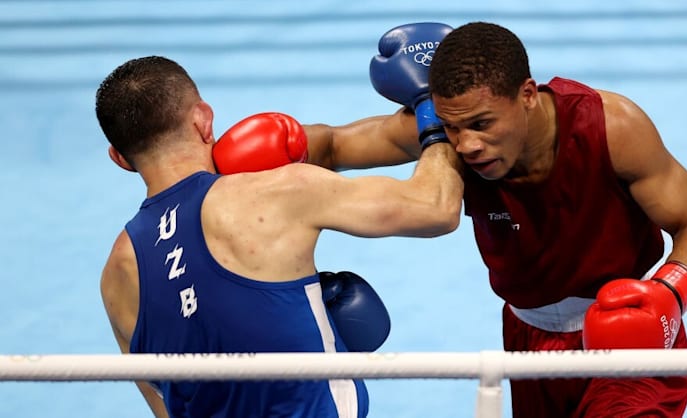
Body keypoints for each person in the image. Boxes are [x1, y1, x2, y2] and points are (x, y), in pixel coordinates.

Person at [300, 22, 687, 417]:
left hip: (632, 339)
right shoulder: (449, 134)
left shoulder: (612, 127)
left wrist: (667, 295)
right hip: (529, 339)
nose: (467, 145)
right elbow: (335, 146)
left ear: (526, 94)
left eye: (482, 124)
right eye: (452, 127)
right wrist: (261, 150)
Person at [96, 55, 463, 418]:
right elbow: (436, 208)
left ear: (119, 158)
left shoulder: (116, 274)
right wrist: (433, 115)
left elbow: (166, 406)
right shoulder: (273, 192)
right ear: (203, 120)